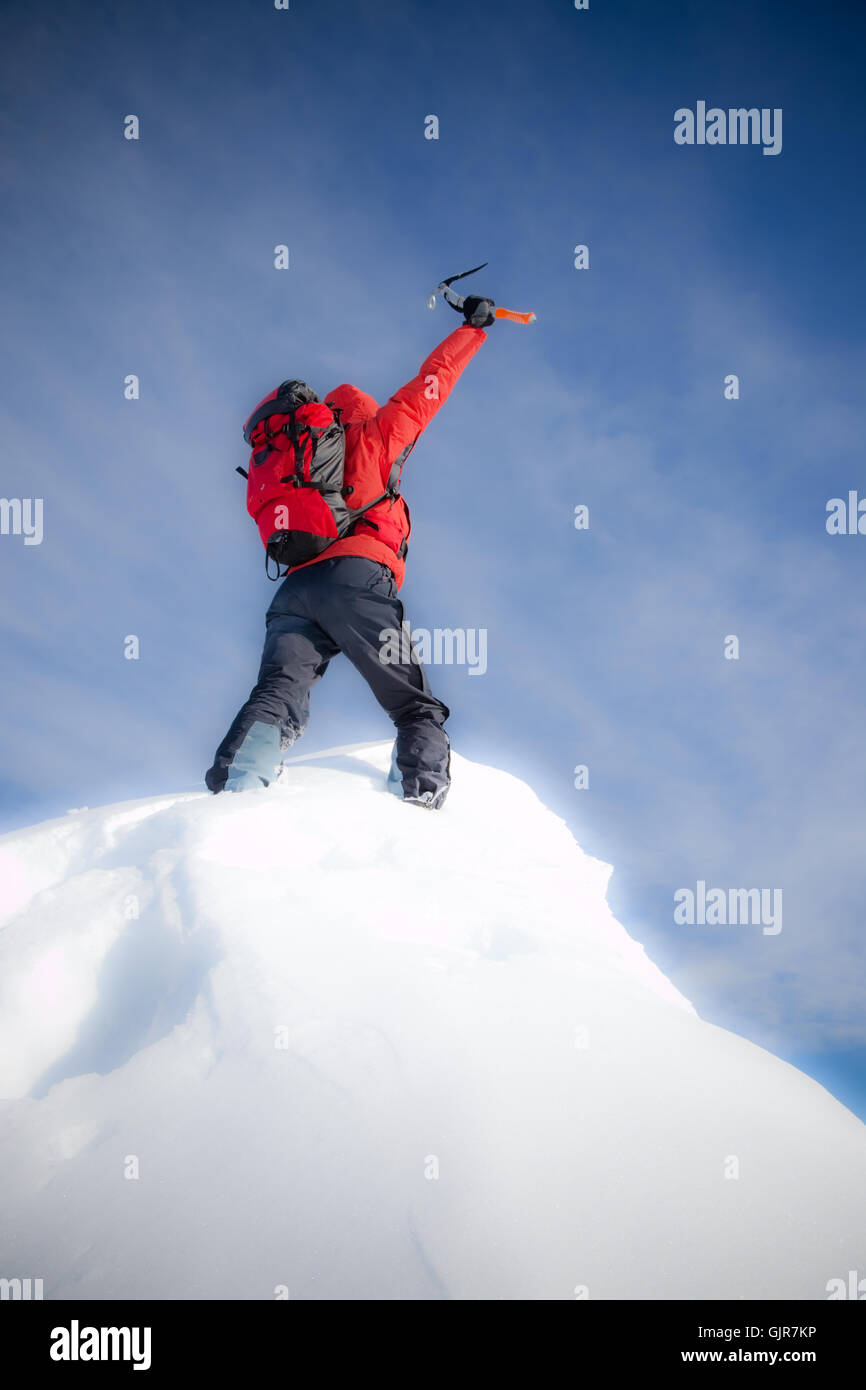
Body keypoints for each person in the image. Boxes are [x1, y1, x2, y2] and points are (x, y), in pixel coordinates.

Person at [205, 294, 495, 808]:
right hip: (357, 581)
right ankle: (422, 800)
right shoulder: (380, 434)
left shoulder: (298, 454)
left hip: (295, 590)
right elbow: (433, 381)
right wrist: (472, 328)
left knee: (277, 692)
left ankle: (234, 791)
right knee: (413, 705)